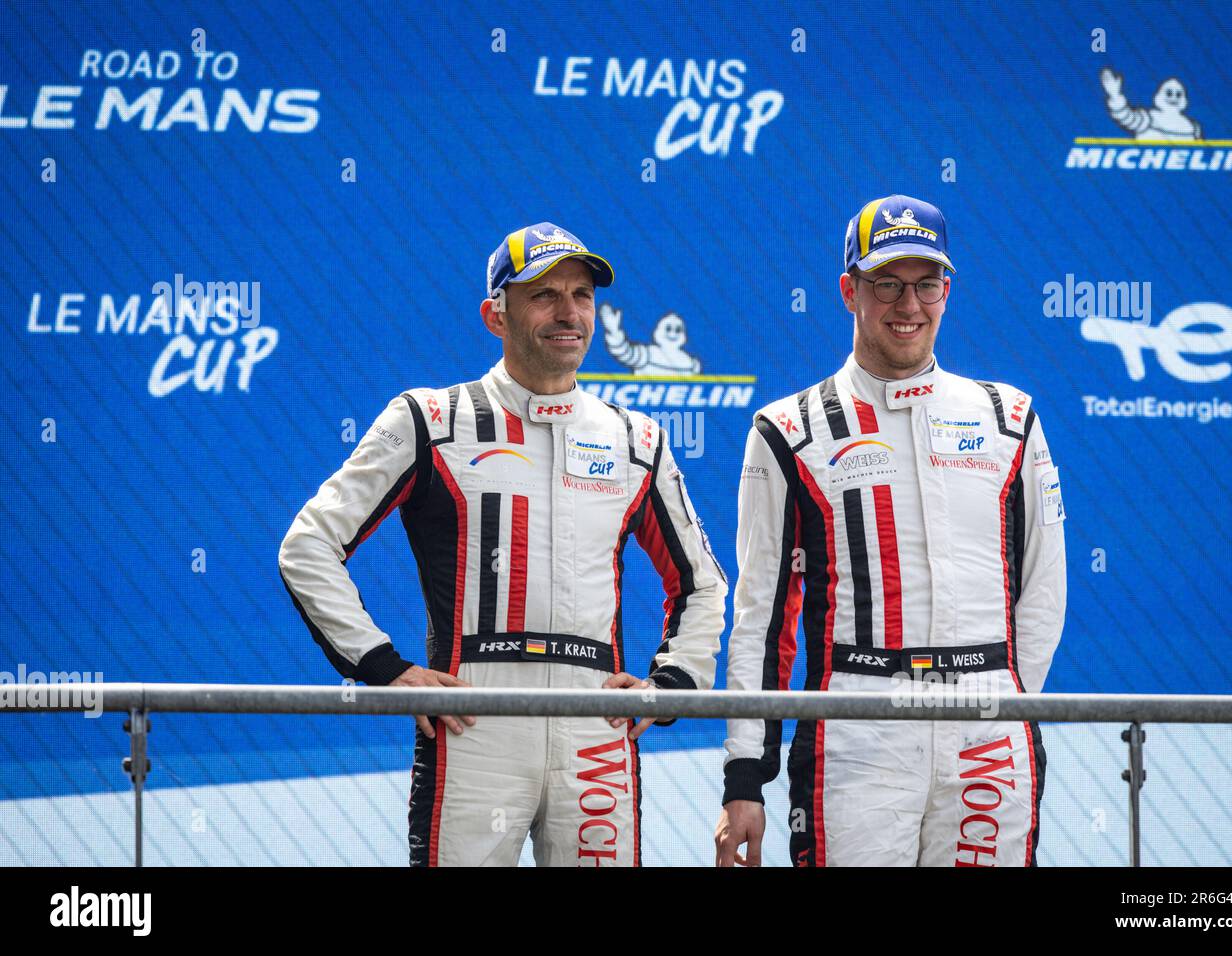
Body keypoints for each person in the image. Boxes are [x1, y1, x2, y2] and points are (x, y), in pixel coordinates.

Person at [280, 222, 726, 867]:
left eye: (581, 294)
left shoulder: (637, 440)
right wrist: (382, 667)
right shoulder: (431, 420)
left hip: (594, 726)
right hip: (473, 719)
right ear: (496, 316)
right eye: (543, 295)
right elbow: (308, 545)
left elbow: (703, 583)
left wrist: (672, 683)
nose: (568, 312)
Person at [715, 195, 1066, 867]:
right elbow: (762, 615)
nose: (909, 304)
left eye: (926, 283)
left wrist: (1005, 699)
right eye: (887, 284)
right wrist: (745, 779)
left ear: (948, 290)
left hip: (987, 724)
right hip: (857, 729)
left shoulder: (1009, 417)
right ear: (850, 290)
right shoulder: (788, 429)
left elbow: (1042, 587)